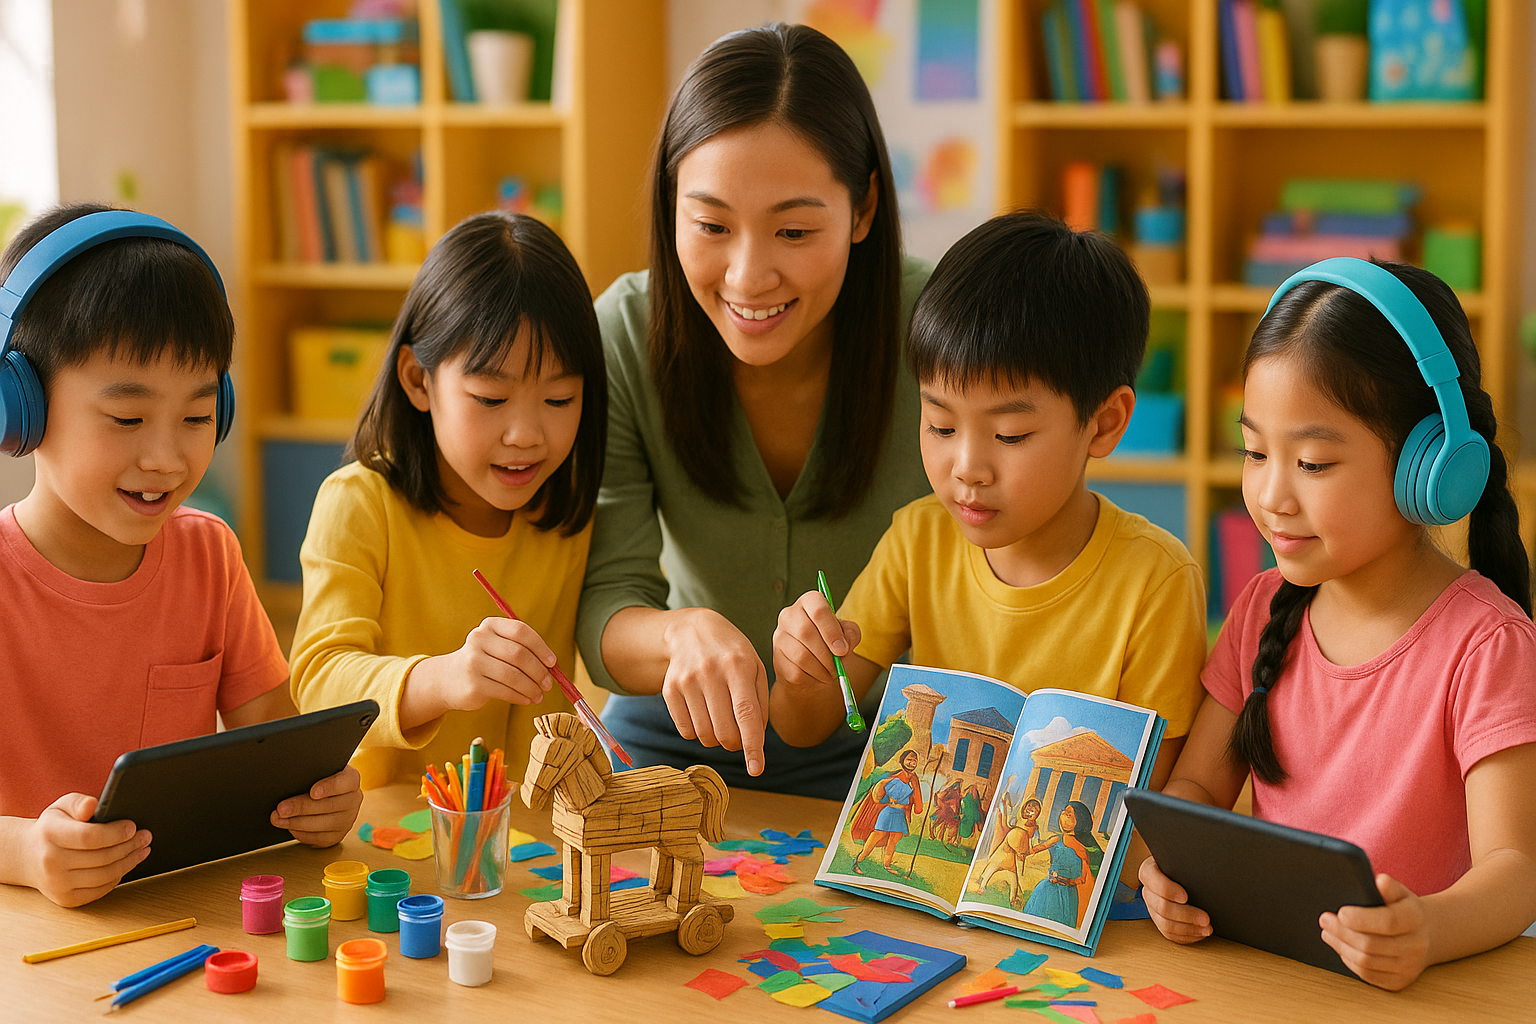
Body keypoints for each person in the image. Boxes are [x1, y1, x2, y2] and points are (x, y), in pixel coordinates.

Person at [1137, 258, 1536, 990]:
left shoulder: (1487, 645)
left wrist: (1428, 930)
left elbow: (1515, 873)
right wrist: (1172, 871)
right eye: (1255, 452)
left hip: (1424, 996)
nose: (1270, 495)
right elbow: (1195, 790)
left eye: (1313, 463)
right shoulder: (1259, 609)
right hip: (1273, 980)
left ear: (1429, 467)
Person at [576, 23, 932, 797]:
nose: (747, 275)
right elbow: (608, 601)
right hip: (665, 741)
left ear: (864, 207)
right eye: (710, 226)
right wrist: (681, 634)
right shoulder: (625, 334)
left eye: (795, 231)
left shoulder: (936, 329)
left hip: (887, 758)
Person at [0, 204, 362, 907]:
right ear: (23, 409)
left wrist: (316, 801)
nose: (166, 458)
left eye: (198, 417)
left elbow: (276, 752)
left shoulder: (208, 555)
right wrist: (21, 851)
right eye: (128, 418)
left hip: (187, 922)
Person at [770, 211, 1207, 793]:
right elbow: (806, 728)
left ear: (1104, 423)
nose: (966, 468)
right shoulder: (916, 540)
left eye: (1010, 436)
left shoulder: (1156, 581)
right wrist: (803, 679)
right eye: (940, 426)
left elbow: (1154, 806)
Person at [290, 212, 607, 787]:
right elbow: (319, 683)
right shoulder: (360, 504)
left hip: (521, 847)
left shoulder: (566, 517)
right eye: (490, 398)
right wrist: (447, 677)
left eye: (559, 399)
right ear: (418, 381)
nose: (526, 434)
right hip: (380, 840)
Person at [1023, 801, 1101, 929]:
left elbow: (1084, 876)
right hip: (1048, 887)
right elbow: (1040, 847)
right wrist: (1025, 850)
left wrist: (1070, 881)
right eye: (1064, 811)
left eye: (1069, 814)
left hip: (1067, 893)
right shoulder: (1057, 839)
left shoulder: (1082, 849)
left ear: (1080, 821)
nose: (1063, 814)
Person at [849, 749, 924, 876]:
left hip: (900, 814)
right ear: (902, 761)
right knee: (877, 835)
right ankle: (858, 861)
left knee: (893, 840)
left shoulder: (914, 779)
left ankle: (887, 865)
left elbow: (917, 803)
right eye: (909, 760)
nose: (912, 762)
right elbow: (878, 792)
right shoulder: (894, 777)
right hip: (889, 811)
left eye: (914, 760)